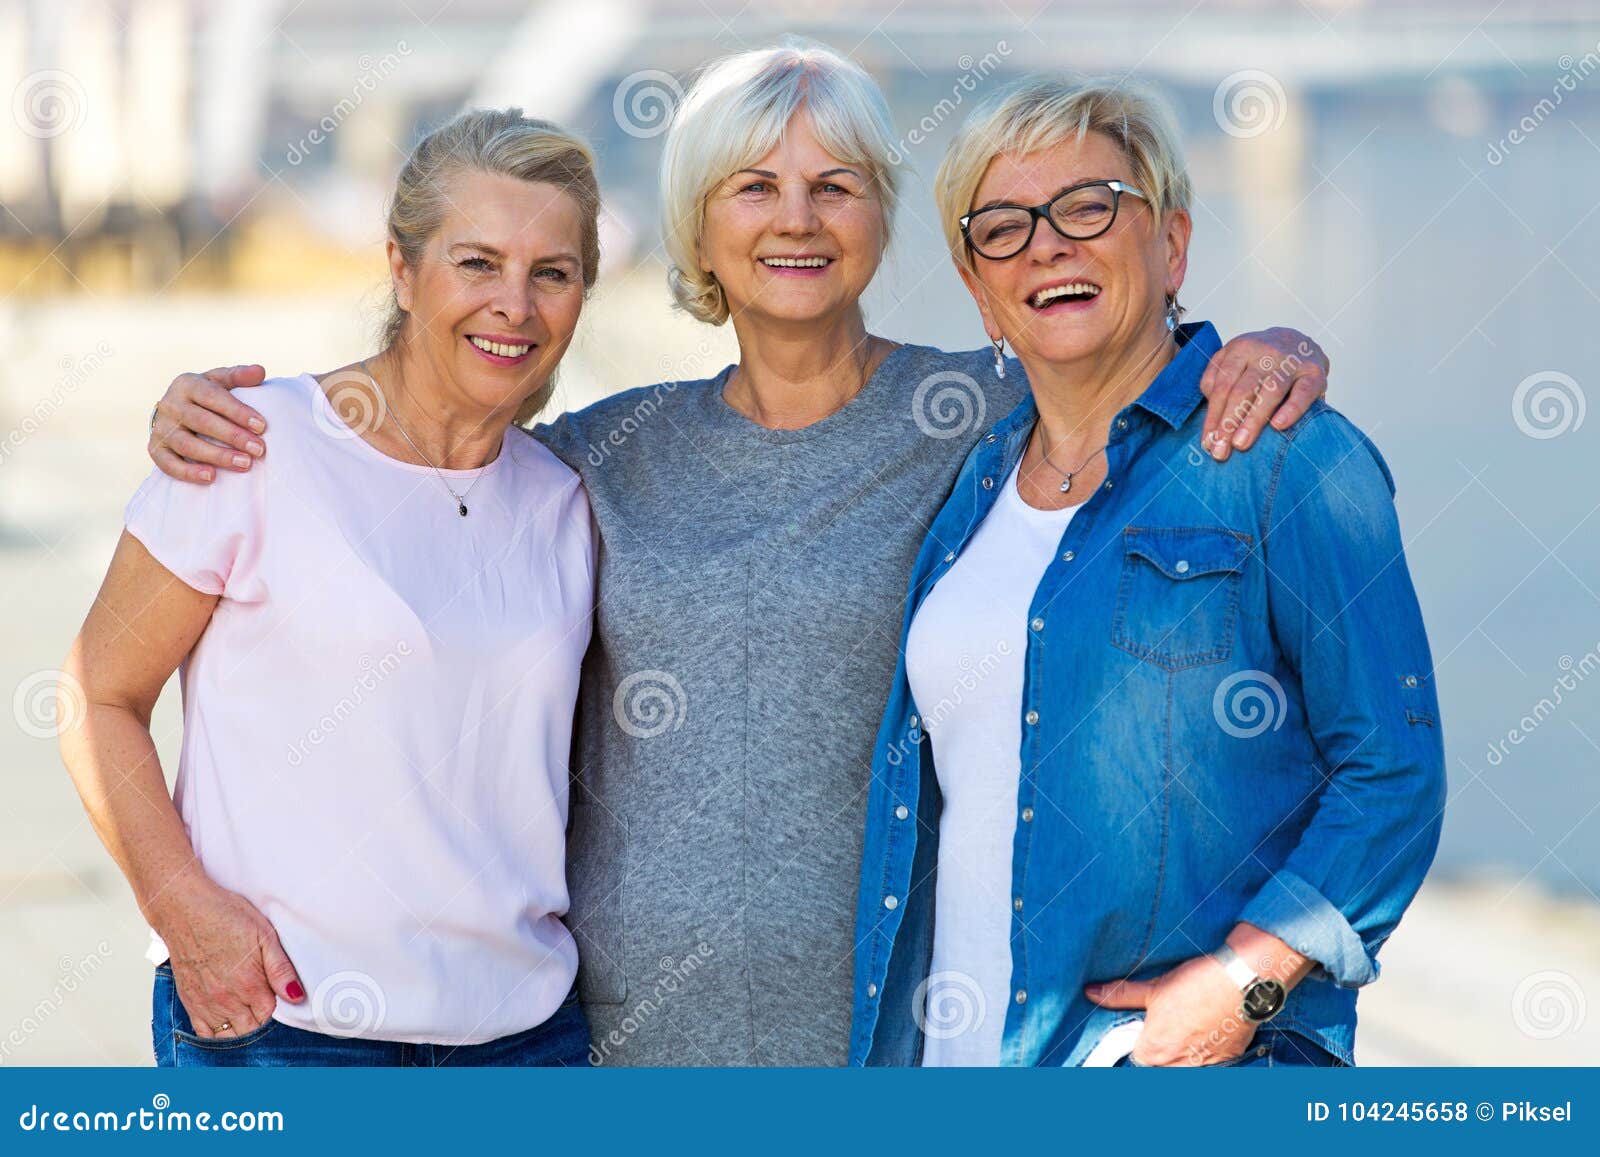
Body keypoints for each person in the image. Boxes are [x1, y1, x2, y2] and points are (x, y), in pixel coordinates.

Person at [139, 42, 1331, 1066]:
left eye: (835, 186)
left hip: (893, 1030)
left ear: (879, 219)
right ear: (698, 227)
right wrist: (246, 416)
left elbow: (1124, 369)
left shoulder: (982, 415)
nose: (796, 218)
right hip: (610, 1038)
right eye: (753, 185)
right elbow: (426, 454)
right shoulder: (601, 454)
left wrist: (1269, 348)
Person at [849, 77, 1446, 1068]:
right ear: (977, 287)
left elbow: (1392, 770)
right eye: (1003, 227)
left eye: (1088, 207)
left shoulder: (1285, 459)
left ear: (1171, 244)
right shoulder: (969, 480)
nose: (1046, 245)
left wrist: (1248, 980)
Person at [59, 109, 599, 1066]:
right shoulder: (250, 444)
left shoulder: (568, 497)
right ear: (402, 269)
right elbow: (97, 694)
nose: (514, 304)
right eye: (477, 263)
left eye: (551, 273)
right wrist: (182, 909)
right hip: (286, 1031)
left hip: (523, 1042)